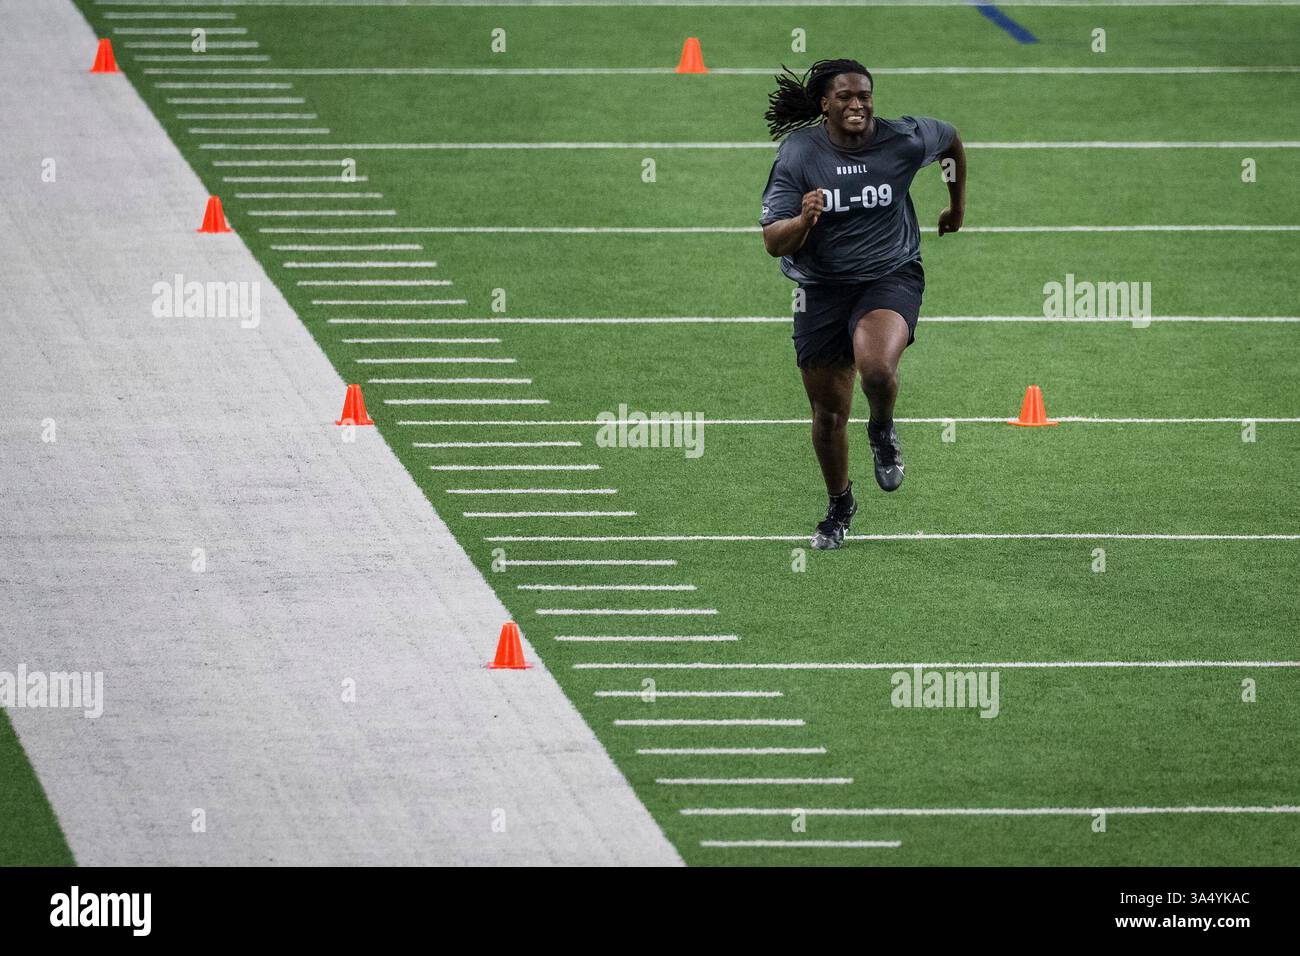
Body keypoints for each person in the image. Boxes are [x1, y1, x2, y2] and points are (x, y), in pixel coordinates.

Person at [759, 58, 966, 550]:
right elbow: (773, 241)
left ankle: (882, 429)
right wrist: (804, 221)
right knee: (828, 415)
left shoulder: (904, 139)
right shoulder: (799, 154)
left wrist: (956, 207)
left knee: (875, 367)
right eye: (846, 97)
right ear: (824, 104)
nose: (857, 105)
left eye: (865, 96)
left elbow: (951, 140)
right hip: (822, 288)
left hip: (889, 276)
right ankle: (839, 505)